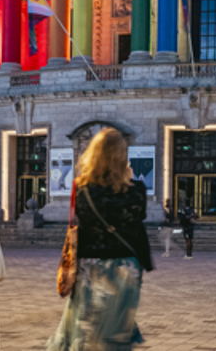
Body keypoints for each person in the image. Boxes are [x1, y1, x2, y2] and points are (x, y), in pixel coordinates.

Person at [48, 128, 153, 350]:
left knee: (86, 326)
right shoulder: (136, 190)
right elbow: (137, 219)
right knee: (117, 329)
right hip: (126, 267)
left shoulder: (82, 188)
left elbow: (79, 221)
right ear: (122, 156)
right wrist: (129, 179)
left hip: (91, 265)